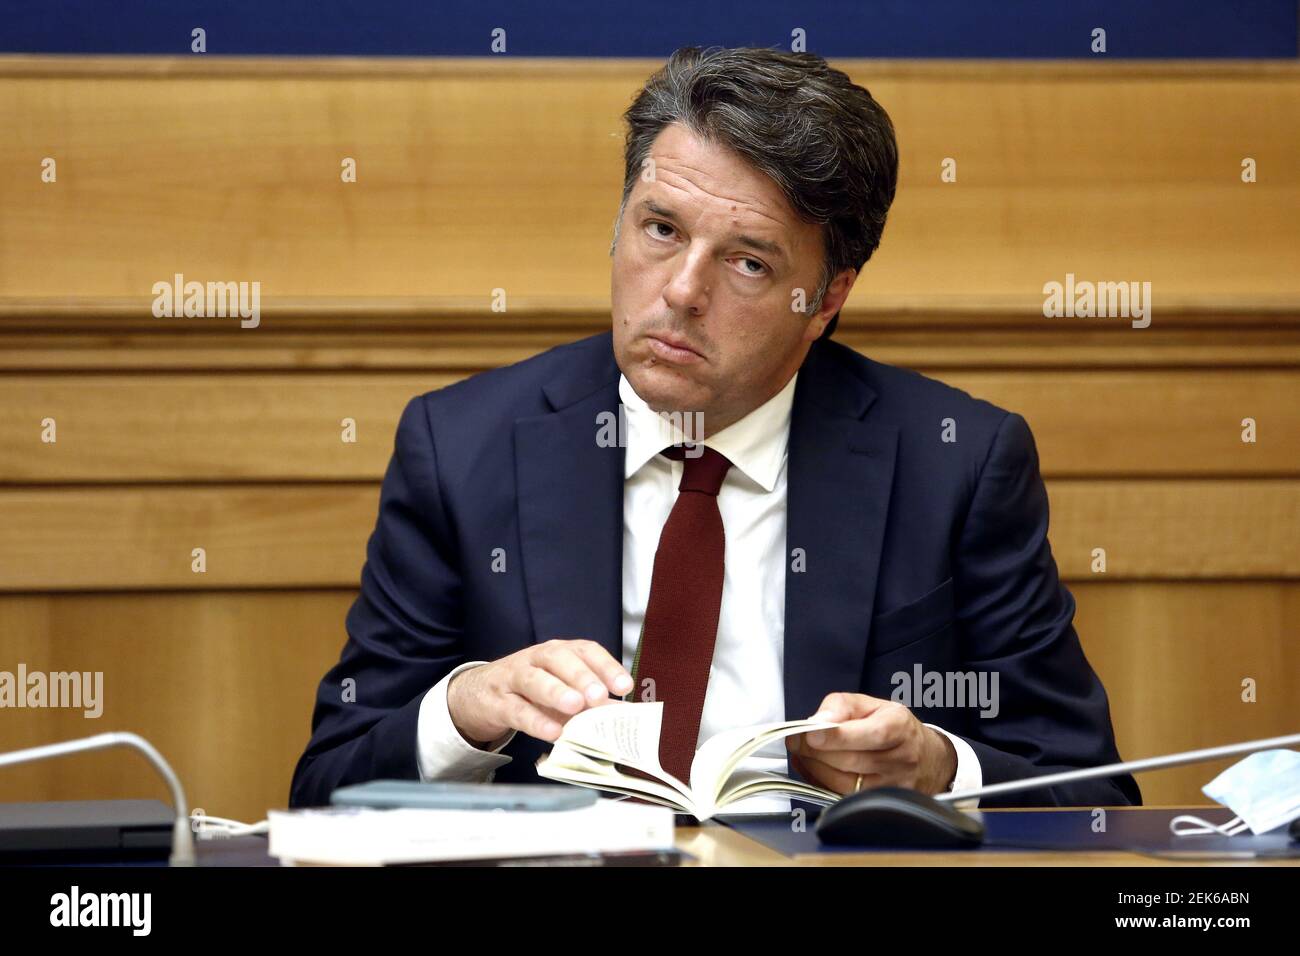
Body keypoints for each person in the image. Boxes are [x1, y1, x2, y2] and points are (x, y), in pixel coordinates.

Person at [290, 46, 1140, 812]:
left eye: (747, 262)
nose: (681, 291)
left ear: (827, 299)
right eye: (661, 229)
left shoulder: (957, 464)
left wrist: (937, 767)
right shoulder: (461, 446)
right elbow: (328, 784)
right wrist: (465, 709)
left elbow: (1091, 788)